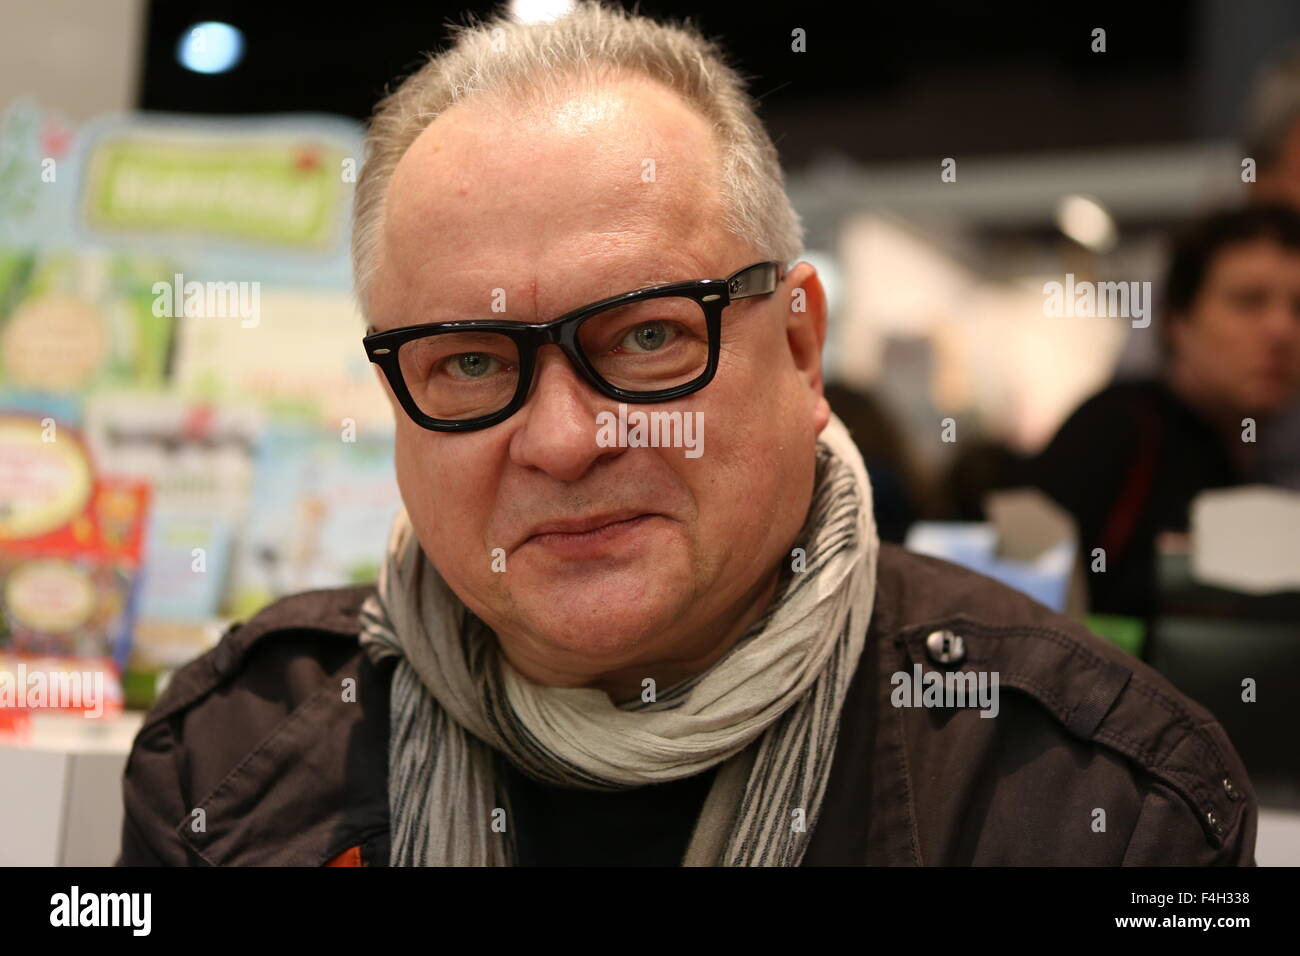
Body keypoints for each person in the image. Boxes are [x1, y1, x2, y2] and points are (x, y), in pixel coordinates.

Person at [117, 1, 1255, 866]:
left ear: (802, 348)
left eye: (650, 338)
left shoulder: (1092, 800)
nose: (563, 438)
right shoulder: (230, 760)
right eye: (469, 360)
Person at [1032, 204, 1300, 619]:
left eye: (1298, 308)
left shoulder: (1259, 460)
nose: (1281, 330)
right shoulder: (1117, 430)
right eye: (1248, 302)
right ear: (1179, 320)